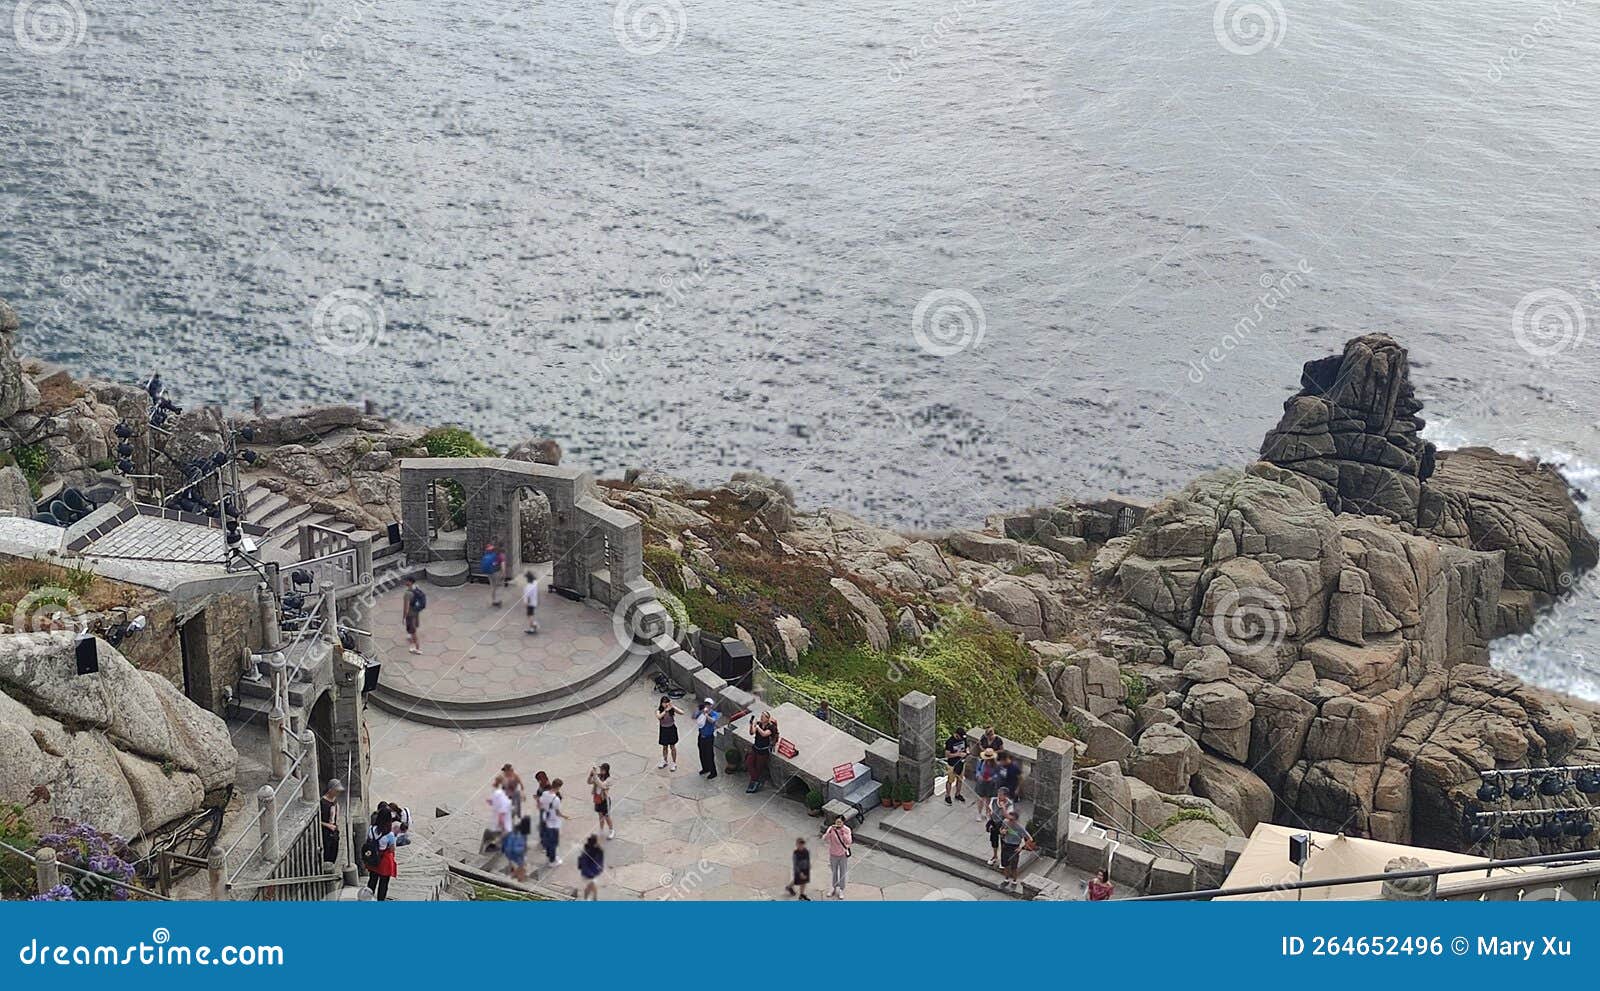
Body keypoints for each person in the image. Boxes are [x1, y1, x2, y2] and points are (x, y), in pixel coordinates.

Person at [998, 809, 1034, 891]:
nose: (1010, 821)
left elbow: (1030, 839)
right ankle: (1006, 880)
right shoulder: (1005, 822)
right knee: (1005, 864)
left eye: (1012, 820)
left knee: (1014, 867)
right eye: (1009, 818)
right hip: (1005, 845)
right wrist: (1002, 832)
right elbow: (1001, 829)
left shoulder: (1019, 828)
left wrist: (1021, 847)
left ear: (1016, 820)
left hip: (1014, 847)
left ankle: (1014, 882)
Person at [367, 821, 399, 900]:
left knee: (372, 881)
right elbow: (392, 849)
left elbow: (368, 841)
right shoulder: (389, 834)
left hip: (373, 859)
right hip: (384, 860)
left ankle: (367, 898)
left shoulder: (371, 829)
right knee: (383, 884)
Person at [538, 778, 566, 867]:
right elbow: (558, 812)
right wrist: (564, 816)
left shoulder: (544, 793)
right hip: (553, 822)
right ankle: (552, 861)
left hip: (545, 819)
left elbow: (541, 804)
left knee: (548, 840)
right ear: (558, 787)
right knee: (553, 842)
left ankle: (550, 856)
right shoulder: (556, 799)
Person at [746, 711, 776, 793]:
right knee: (749, 762)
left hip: (763, 750)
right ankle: (756, 780)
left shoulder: (771, 727)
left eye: (764, 717)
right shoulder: (759, 724)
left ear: (767, 718)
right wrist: (751, 725)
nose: (761, 718)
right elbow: (752, 732)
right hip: (756, 747)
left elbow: (764, 734)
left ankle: (755, 782)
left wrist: (756, 726)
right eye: (761, 716)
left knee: (759, 767)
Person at [823, 815, 852, 899]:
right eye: (837, 822)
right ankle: (833, 887)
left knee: (842, 872)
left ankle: (841, 889)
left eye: (840, 822)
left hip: (842, 854)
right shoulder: (831, 828)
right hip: (833, 853)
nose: (838, 823)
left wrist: (843, 833)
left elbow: (849, 841)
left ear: (843, 822)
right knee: (834, 872)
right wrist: (829, 832)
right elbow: (824, 838)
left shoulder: (846, 829)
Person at [319, 779, 344, 865]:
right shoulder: (322, 802)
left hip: (334, 830)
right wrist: (328, 825)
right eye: (336, 791)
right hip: (325, 831)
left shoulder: (335, 800)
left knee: (334, 851)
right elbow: (317, 820)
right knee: (327, 853)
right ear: (330, 790)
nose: (338, 793)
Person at [986, 788, 1013, 867]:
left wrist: (1003, 807)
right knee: (994, 841)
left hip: (1004, 825)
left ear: (1005, 796)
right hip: (994, 823)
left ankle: (1003, 860)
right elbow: (989, 811)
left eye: (1001, 795)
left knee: (1003, 843)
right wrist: (990, 819)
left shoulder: (1010, 804)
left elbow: (1008, 816)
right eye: (998, 794)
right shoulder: (994, 800)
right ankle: (995, 856)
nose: (998, 796)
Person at [694, 699, 720, 779]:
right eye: (706, 704)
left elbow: (712, 721)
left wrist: (706, 715)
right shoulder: (701, 712)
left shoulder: (714, 714)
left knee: (709, 755)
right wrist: (698, 710)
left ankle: (713, 772)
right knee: (702, 753)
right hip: (701, 736)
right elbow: (693, 716)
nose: (707, 706)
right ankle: (705, 768)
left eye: (709, 705)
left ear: (711, 706)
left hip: (709, 738)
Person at [588, 763, 614, 839]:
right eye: (600, 769)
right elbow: (589, 782)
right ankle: (601, 830)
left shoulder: (609, 779)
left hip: (604, 800)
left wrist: (595, 775)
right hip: (597, 798)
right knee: (600, 815)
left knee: (606, 816)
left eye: (602, 769)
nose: (600, 770)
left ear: (606, 771)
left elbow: (602, 785)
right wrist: (590, 775)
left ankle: (611, 830)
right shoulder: (598, 776)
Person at [656, 696, 682, 771]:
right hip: (664, 729)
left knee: (672, 746)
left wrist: (673, 706)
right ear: (661, 703)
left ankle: (674, 763)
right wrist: (666, 710)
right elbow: (659, 716)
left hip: (671, 729)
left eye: (666, 702)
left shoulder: (671, 709)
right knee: (664, 747)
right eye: (664, 702)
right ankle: (665, 760)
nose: (665, 704)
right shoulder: (659, 711)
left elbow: (682, 712)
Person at [943, 728, 968, 805]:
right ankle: (947, 795)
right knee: (950, 781)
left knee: (960, 780)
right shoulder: (950, 742)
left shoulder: (963, 739)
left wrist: (967, 751)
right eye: (960, 737)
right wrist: (958, 754)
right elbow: (947, 755)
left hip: (961, 762)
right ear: (956, 735)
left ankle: (957, 794)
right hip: (952, 764)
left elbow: (967, 746)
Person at [502, 816, 531, 882]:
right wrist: (523, 849)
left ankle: (514, 876)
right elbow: (517, 848)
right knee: (522, 868)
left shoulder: (515, 831)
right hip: (515, 856)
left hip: (510, 854)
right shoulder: (520, 835)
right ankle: (517, 879)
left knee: (520, 867)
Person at [401, 576, 426, 654]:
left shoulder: (407, 593)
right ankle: (410, 635)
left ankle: (417, 648)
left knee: (413, 631)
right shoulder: (416, 588)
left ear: (410, 582)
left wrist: (404, 617)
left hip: (410, 614)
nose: (405, 582)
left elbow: (406, 607)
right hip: (416, 611)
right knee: (414, 625)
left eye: (406, 581)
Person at [974, 747, 999, 821]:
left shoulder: (996, 765)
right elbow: (977, 770)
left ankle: (987, 813)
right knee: (981, 799)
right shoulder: (981, 761)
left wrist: (992, 778)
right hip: (981, 782)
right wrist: (978, 776)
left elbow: (998, 774)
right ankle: (979, 813)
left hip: (990, 783)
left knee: (988, 800)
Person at [578, 834, 606, 900]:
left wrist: (600, 867)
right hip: (589, 874)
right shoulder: (587, 852)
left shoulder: (598, 850)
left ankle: (589, 899)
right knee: (592, 886)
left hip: (592, 872)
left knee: (590, 886)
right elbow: (583, 864)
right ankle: (592, 899)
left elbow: (600, 859)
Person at [488, 774, 513, 841]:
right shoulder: (504, 798)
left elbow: (491, 802)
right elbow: (501, 816)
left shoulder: (496, 793)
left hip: (494, 825)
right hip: (504, 829)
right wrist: (504, 828)